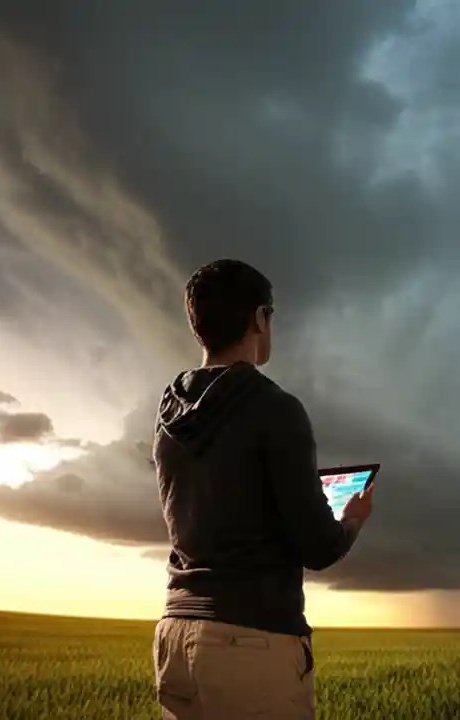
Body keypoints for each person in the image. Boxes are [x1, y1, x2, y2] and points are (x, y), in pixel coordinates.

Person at [151, 258, 374, 719]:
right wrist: (351, 519)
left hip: (175, 634)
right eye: (270, 314)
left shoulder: (168, 414)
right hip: (253, 642)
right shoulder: (277, 409)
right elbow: (318, 547)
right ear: (259, 318)